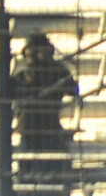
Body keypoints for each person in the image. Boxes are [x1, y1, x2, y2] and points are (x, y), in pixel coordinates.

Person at [13, 31, 78, 177]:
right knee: (27, 176)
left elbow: (73, 89)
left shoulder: (55, 73)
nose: (31, 54)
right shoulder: (23, 76)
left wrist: (50, 62)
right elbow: (3, 92)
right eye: (29, 50)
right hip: (28, 132)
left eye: (35, 50)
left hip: (49, 132)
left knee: (54, 174)